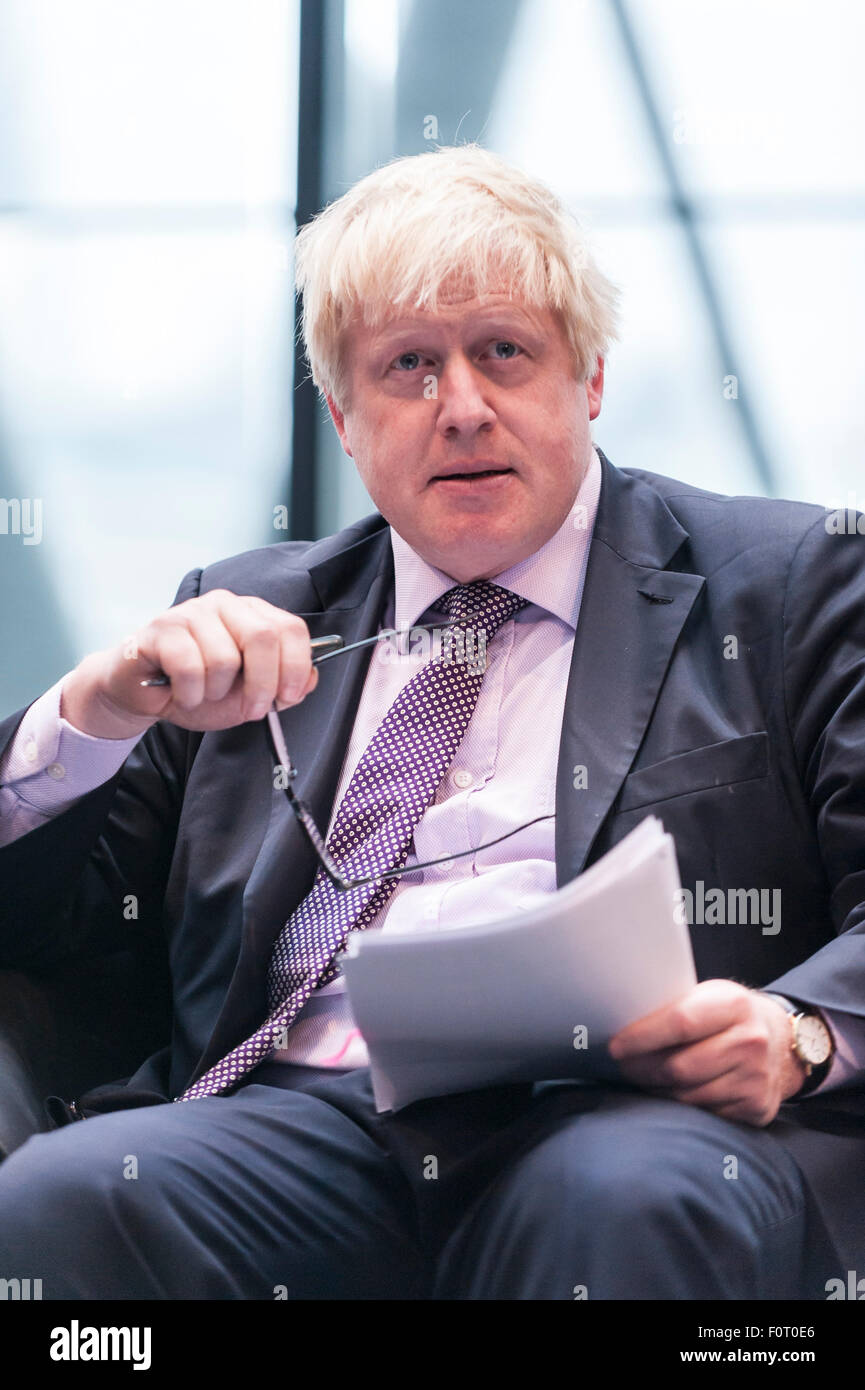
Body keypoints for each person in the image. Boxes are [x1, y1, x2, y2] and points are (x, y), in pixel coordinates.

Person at [0, 143, 863, 1300]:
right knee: (71, 1194)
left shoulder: (788, 582)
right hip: (300, 1122)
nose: (460, 408)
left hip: (628, 1116)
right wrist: (96, 708)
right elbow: (45, 921)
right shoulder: (251, 612)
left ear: (589, 377)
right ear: (345, 420)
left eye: (504, 351)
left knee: (623, 1198)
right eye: (408, 366)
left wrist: (798, 1031)